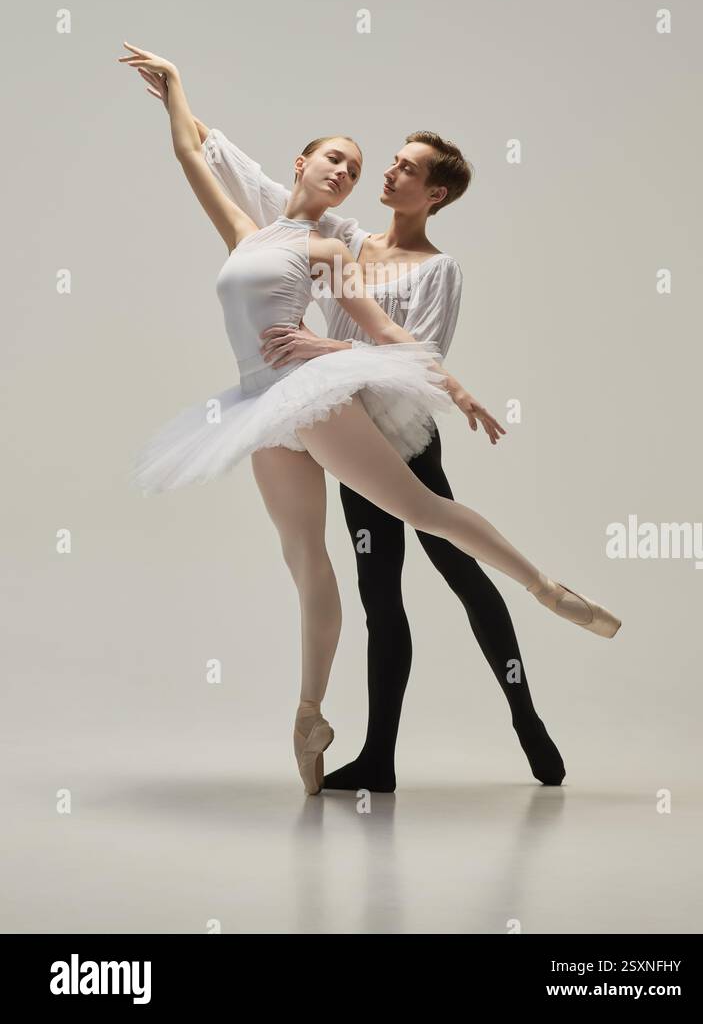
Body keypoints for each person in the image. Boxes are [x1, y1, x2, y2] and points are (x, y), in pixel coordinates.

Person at [120, 43, 622, 796]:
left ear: (435, 195)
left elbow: (393, 340)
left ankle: (546, 594)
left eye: (380, 167)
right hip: (263, 410)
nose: (362, 173)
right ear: (301, 163)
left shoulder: (338, 250)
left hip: (353, 405)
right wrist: (176, 89)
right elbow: (208, 157)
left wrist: (458, 391)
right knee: (317, 570)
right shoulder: (285, 233)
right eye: (344, 162)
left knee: (437, 528)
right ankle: (313, 716)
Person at [191, 119, 572, 792]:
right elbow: (269, 187)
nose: (390, 174)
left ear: (435, 195)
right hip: (342, 437)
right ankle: (378, 758)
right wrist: (201, 131)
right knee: (378, 596)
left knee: (464, 574)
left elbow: (419, 357)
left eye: (407, 169)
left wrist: (323, 348)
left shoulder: (437, 270)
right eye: (390, 164)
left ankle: (525, 716)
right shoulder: (343, 239)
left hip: (403, 438)